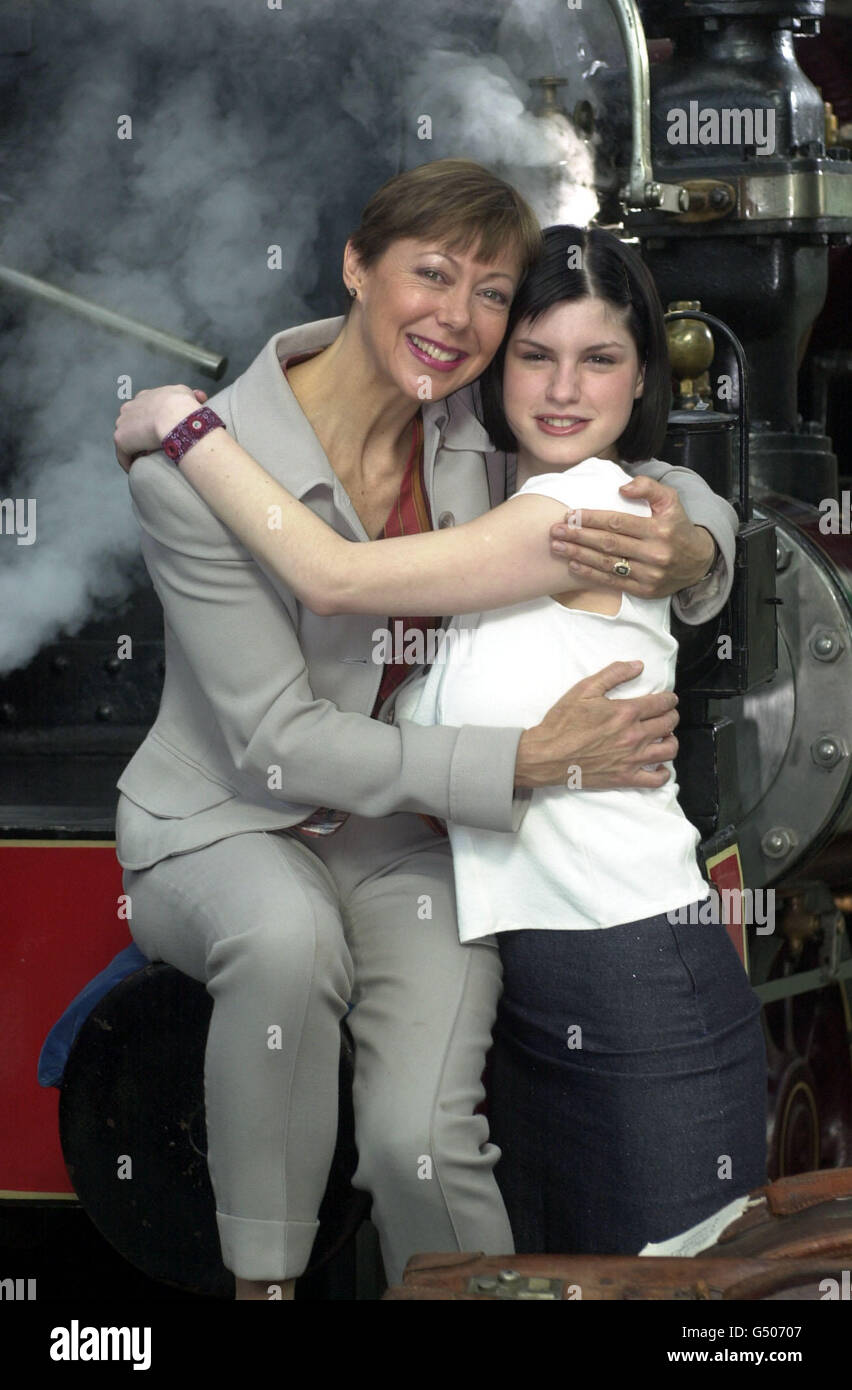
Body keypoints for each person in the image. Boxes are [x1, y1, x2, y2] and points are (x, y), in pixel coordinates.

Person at [113, 164, 739, 1295]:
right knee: (285, 937)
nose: (460, 320)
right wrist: (525, 760)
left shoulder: (473, 428)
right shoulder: (190, 473)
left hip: (400, 832)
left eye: (492, 293)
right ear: (356, 268)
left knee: (417, 1133)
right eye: (433, 275)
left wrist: (696, 539)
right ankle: (265, 1280)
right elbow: (281, 743)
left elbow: (618, 478)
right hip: (230, 817)